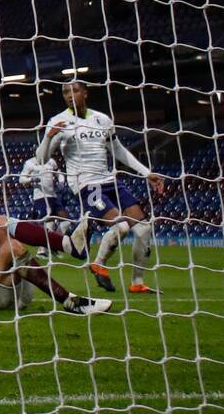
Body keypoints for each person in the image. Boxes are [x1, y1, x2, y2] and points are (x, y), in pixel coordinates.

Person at [37, 81, 165, 294]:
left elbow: (118, 149)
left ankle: (137, 282)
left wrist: (146, 173)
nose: (70, 95)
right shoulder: (58, 121)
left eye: (74, 91)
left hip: (109, 180)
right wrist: (49, 136)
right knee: (121, 227)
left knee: (143, 229)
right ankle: (98, 263)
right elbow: (41, 159)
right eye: (65, 92)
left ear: (85, 93)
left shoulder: (102, 119)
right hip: (86, 184)